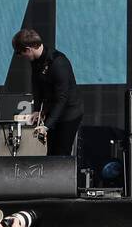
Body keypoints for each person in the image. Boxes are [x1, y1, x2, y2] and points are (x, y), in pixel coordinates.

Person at [13, 28, 84, 156]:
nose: (22, 56)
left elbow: (62, 99)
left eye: (21, 53)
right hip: (53, 108)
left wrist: (46, 126)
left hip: (69, 112)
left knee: (61, 154)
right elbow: (37, 85)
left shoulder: (58, 63)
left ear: (29, 49)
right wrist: (38, 110)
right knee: (51, 154)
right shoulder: (35, 60)